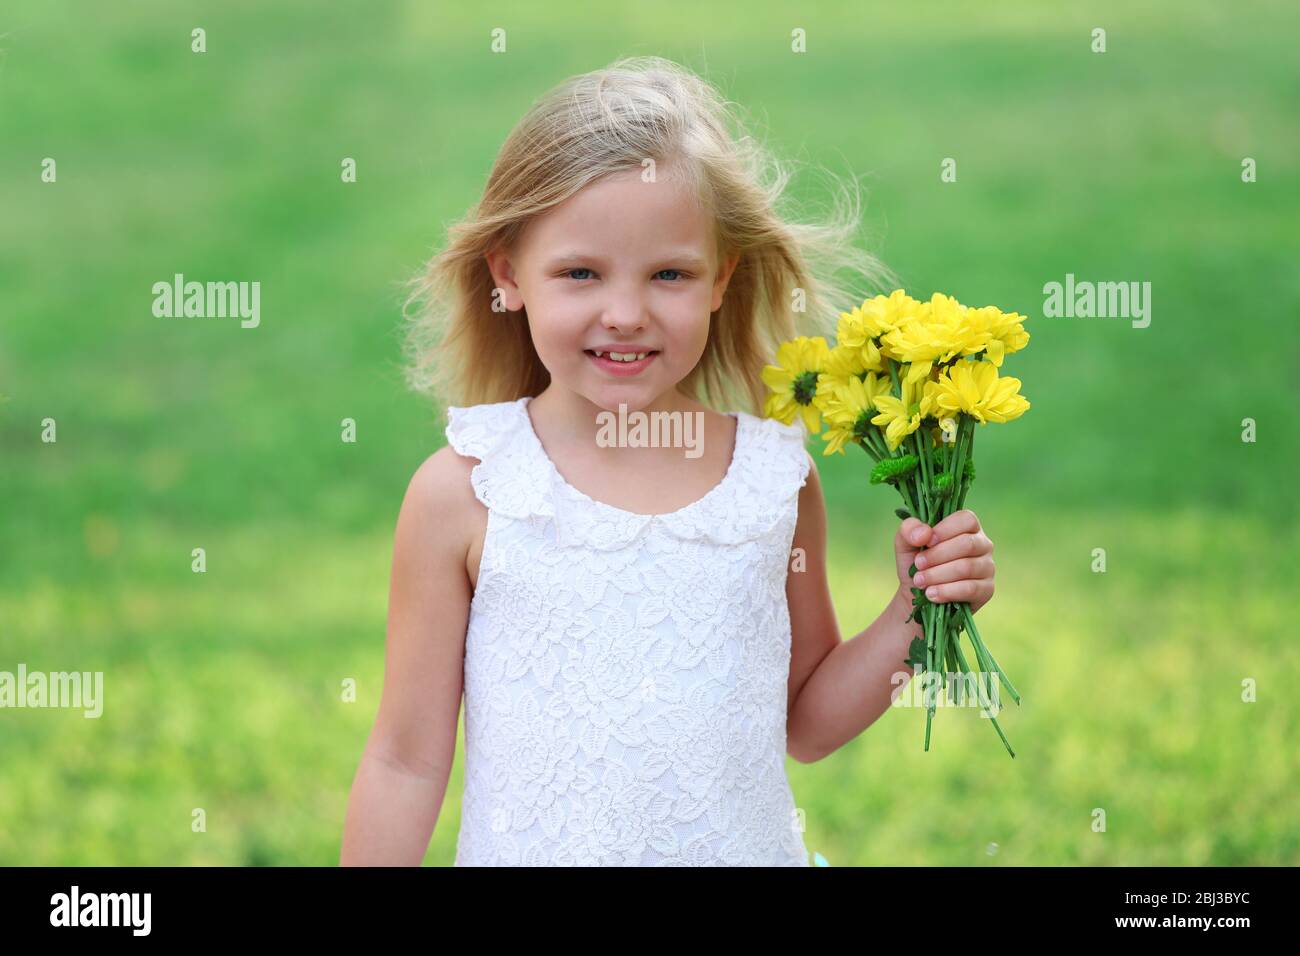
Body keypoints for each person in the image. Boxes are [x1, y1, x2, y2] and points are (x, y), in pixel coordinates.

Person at [340, 55, 996, 866]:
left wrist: (915, 606)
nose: (625, 313)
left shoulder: (771, 482)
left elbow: (807, 722)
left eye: (669, 275)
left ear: (720, 278)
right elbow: (406, 760)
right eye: (580, 273)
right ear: (509, 276)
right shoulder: (468, 492)